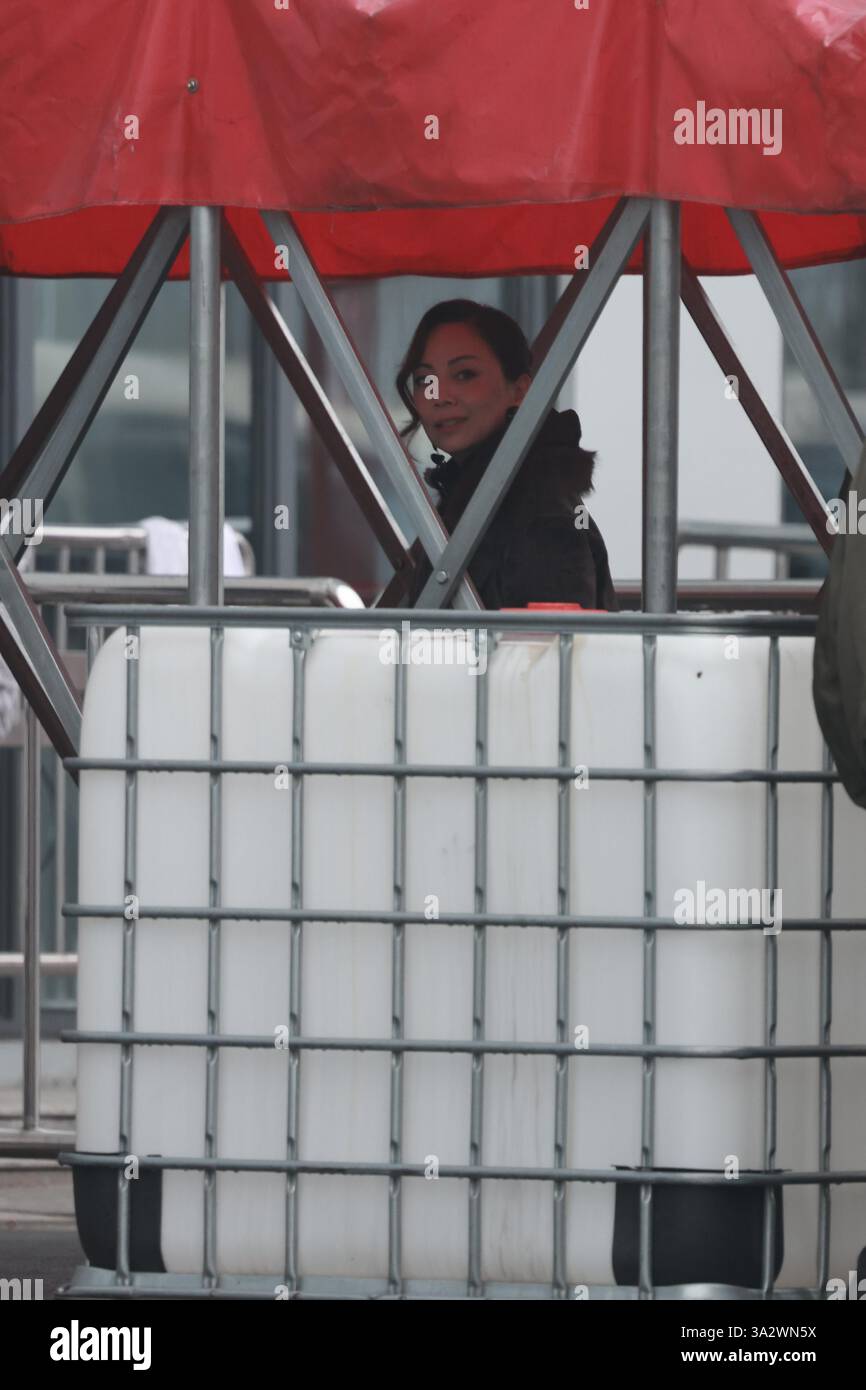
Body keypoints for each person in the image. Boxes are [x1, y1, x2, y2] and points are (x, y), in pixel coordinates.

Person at [386, 298, 618, 611]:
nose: (438, 396)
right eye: (425, 380)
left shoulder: (542, 515)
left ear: (520, 391)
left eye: (465, 374)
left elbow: (547, 654)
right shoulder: (476, 494)